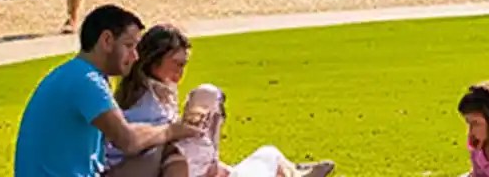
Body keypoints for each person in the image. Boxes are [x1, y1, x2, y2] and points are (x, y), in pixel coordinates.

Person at [108, 24, 334, 177]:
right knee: (267, 156)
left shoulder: (150, 95)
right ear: (154, 60)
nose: (181, 72)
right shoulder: (146, 107)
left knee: (268, 153)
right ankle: (292, 172)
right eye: (177, 63)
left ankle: (291, 170)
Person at [13, 5, 204, 177]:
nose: (135, 56)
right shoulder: (87, 81)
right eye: (129, 46)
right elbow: (128, 140)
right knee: (165, 148)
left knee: (165, 150)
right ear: (107, 40)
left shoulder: (74, 73)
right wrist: (171, 130)